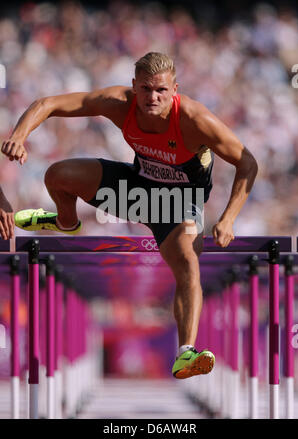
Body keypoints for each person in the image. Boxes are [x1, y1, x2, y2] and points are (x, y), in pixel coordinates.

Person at [1, 52, 258, 379]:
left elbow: (248, 162)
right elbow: (47, 103)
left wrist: (229, 217)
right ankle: (66, 221)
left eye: (162, 91)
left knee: (186, 260)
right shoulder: (117, 102)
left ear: (175, 89)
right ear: (134, 87)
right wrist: (19, 136)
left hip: (178, 203)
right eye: (146, 89)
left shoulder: (195, 119)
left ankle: (185, 353)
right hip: (136, 191)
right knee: (58, 174)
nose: (153, 97)